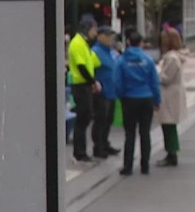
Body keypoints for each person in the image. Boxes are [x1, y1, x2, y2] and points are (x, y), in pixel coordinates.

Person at [113, 29, 161, 176]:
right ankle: (145, 165)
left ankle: (127, 166)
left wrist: (121, 96)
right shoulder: (148, 60)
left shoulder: (121, 61)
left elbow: (117, 81)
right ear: (141, 43)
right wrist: (157, 100)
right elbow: (154, 82)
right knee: (145, 133)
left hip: (129, 99)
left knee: (130, 134)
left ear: (128, 42)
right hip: (146, 98)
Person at [67, 17, 101, 162]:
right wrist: (92, 82)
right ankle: (79, 152)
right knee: (82, 119)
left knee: (85, 118)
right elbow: (81, 66)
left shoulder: (84, 44)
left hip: (84, 84)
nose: (96, 32)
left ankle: (81, 151)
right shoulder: (77, 43)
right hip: (81, 85)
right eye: (94, 29)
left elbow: (94, 62)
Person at [91, 26, 121, 159]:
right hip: (101, 91)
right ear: (100, 36)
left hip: (112, 90)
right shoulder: (95, 52)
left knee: (108, 119)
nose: (110, 38)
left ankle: (105, 142)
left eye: (111, 35)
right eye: (107, 35)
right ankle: (98, 146)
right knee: (100, 119)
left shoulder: (112, 52)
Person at [157, 28, 186, 167]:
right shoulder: (174, 56)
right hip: (172, 94)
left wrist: (156, 72)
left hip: (169, 95)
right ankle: (170, 152)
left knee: (168, 125)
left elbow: (166, 78)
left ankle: (171, 153)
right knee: (168, 125)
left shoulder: (171, 58)